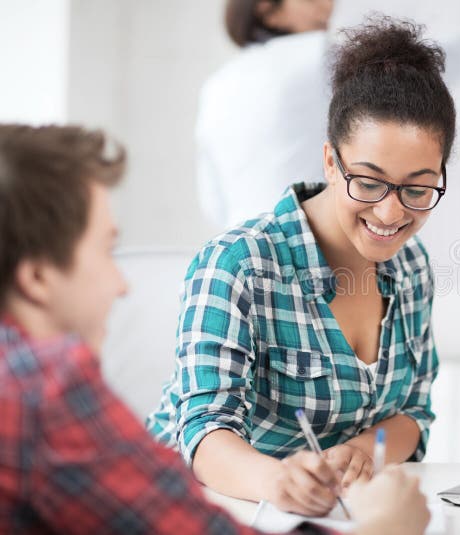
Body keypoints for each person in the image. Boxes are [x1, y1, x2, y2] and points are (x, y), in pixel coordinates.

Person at [0, 123, 431, 535]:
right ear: (36, 278)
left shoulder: (23, 383)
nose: (122, 283)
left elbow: (415, 409)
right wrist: (383, 529)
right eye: (106, 250)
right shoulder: (45, 394)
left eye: (416, 187)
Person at [148, 17, 456, 516]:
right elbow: (205, 432)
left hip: (317, 515)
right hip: (192, 510)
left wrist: (359, 455)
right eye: (370, 182)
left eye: (417, 188)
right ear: (331, 162)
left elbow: (413, 414)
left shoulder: (412, 266)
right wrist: (281, 480)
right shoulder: (238, 264)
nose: (391, 213)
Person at [197, 0, 460, 227]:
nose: (329, 4)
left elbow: (212, 202)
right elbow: (414, 66)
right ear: (267, 10)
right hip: (308, 245)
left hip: (244, 244)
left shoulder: (215, 86)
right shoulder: (311, 57)